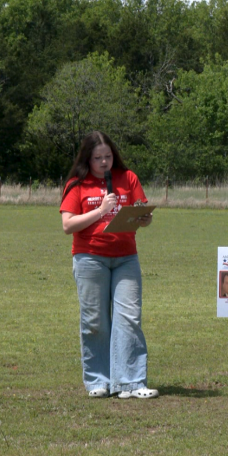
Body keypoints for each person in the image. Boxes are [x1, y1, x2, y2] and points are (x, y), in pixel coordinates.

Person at [59, 131, 158, 399]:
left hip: (126, 257)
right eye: (98, 158)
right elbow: (68, 225)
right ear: (87, 159)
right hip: (90, 257)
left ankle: (131, 382)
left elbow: (143, 211)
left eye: (108, 156)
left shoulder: (128, 178)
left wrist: (144, 218)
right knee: (95, 321)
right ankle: (98, 382)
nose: (104, 162)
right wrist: (100, 211)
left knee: (129, 318)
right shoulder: (76, 184)